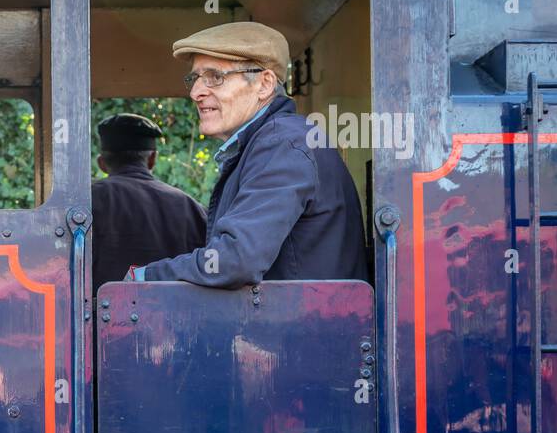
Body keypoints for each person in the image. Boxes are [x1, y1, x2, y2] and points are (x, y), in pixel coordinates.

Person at [127, 22, 369, 287]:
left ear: (264, 84)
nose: (196, 92)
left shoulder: (281, 144)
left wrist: (146, 277)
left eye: (215, 77)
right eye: (194, 78)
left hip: (303, 327)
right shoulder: (275, 140)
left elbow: (235, 260)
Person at [92, 113, 206, 293]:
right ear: (152, 159)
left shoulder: (85, 201)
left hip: (99, 318)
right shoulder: (190, 207)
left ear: (102, 163)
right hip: (176, 318)